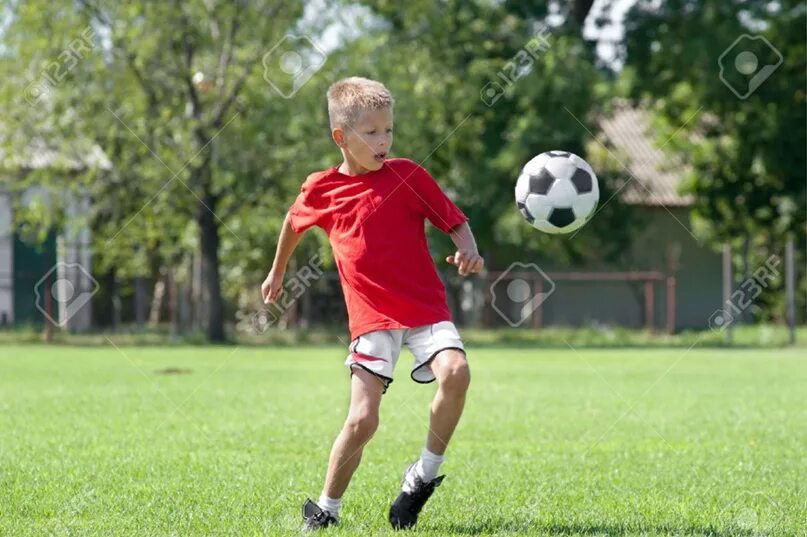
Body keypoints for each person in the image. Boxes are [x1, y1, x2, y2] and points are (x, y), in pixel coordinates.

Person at [261, 76, 484, 531]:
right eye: (372, 132)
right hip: (371, 319)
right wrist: (278, 270)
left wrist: (469, 248)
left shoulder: (409, 175)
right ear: (341, 137)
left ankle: (422, 476)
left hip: (424, 309)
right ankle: (326, 509)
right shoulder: (321, 189)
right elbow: (292, 221)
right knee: (363, 420)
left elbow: (455, 221)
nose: (384, 141)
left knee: (457, 372)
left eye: (389, 130)